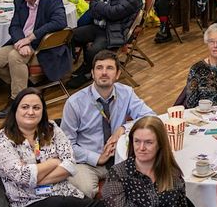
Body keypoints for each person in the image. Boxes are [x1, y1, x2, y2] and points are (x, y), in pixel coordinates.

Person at [0, 88, 105, 207]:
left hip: (65, 199)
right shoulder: (1, 143)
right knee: (60, 203)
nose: (30, 112)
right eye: (25, 107)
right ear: (15, 110)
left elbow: (71, 164)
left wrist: (37, 178)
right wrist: (54, 162)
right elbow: (23, 176)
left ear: (42, 111)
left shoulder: (51, 129)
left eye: (36, 108)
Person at [60, 51, 155, 197]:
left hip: (120, 156)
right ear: (92, 73)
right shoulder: (74, 103)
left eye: (109, 68)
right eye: (99, 68)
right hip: (87, 162)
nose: (104, 72)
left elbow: (151, 117)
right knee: (86, 189)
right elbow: (65, 146)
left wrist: (123, 128)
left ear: (117, 74)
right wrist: (96, 158)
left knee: (149, 179)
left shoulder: (127, 93)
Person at [0, 0, 70, 117]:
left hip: (43, 46)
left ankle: (17, 100)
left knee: (14, 57)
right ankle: (24, 86)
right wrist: (21, 42)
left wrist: (30, 38)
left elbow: (60, 22)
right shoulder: (19, 1)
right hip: (22, 43)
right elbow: (14, 26)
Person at [70, 0, 145, 75]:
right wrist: (104, 8)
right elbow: (93, 2)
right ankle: (86, 66)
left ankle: (88, 72)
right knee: (70, 36)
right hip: (99, 26)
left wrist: (101, 6)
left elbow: (114, 13)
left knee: (93, 51)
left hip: (114, 32)